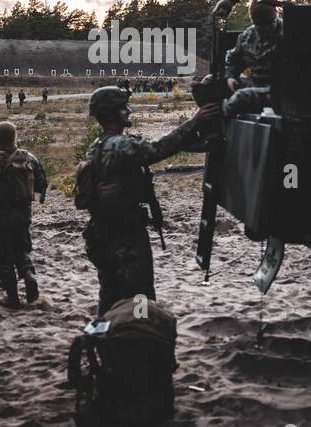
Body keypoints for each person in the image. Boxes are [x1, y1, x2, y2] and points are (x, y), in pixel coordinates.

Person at [79, 87, 220, 316]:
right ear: (113, 113)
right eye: (123, 108)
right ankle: (140, 339)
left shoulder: (98, 145)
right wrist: (195, 121)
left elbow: (159, 146)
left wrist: (196, 138)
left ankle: (105, 338)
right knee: (140, 296)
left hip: (102, 234)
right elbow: (157, 149)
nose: (128, 111)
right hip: (124, 236)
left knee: (110, 295)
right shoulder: (120, 145)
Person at [0, 121, 47, 308]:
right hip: (23, 214)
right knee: (21, 249)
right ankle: (29, 276)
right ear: (15, 137)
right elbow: (41, 185)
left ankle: (12, 297)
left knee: (2, 255)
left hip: (0, 216)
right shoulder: (30, 158)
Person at [223, 0, 282, 117]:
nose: (265, 28)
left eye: (269, 22)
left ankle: (222, 118)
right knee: (208, 83)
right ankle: (212, 132)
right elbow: (232, 59)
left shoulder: (290, 32)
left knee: (240, 98)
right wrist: (230, 76)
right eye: (260, 24)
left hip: (280, 91)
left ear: (276, 16)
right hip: (255, 84)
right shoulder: (247, 37)